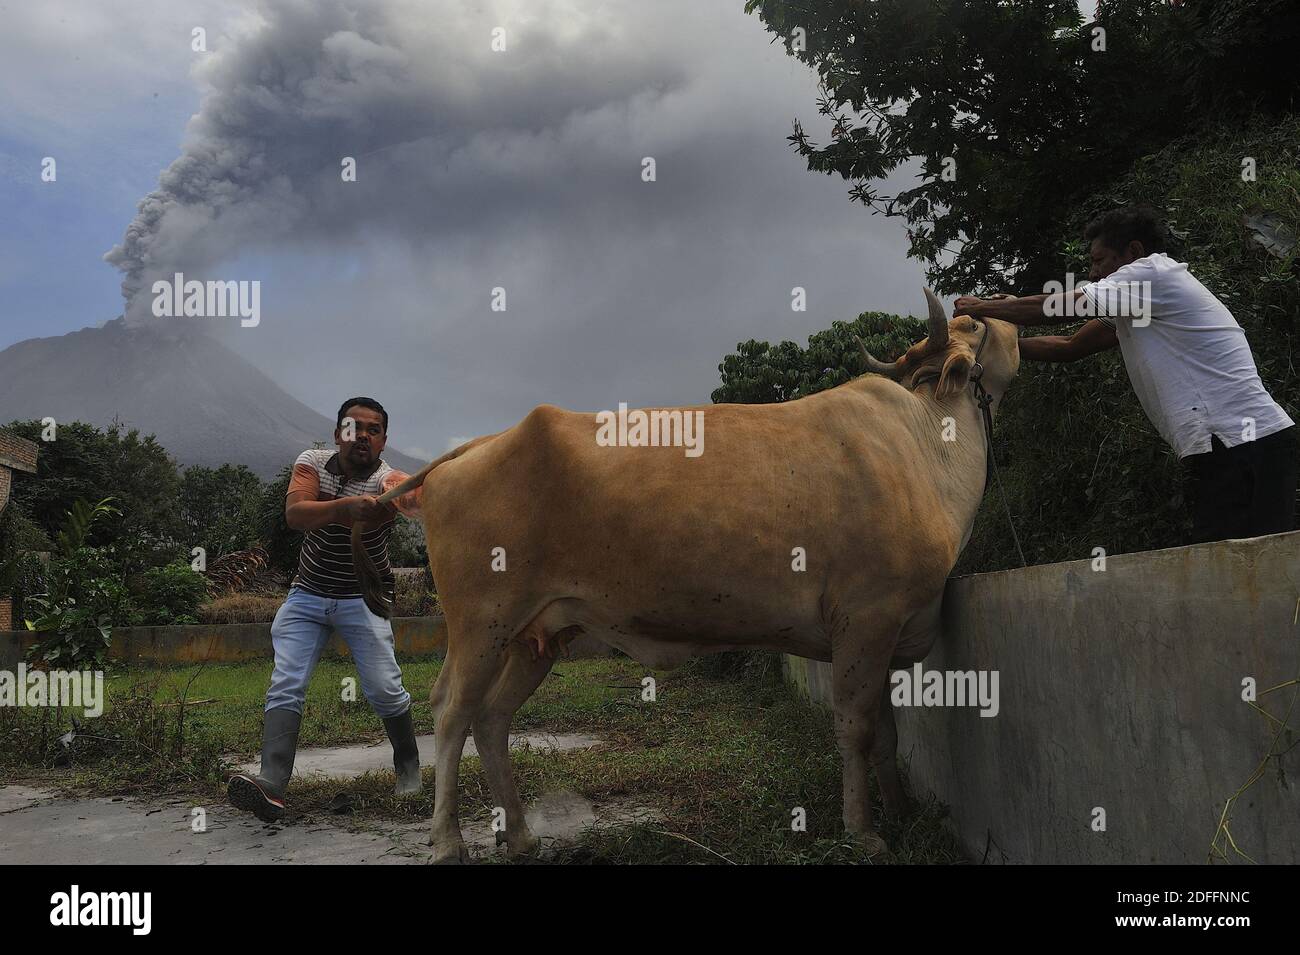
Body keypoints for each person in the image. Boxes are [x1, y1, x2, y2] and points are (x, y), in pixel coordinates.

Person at [954, 206, 1297, 543]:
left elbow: (1064, 308)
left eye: (1099, 260)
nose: (1092, 272)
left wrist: (983, 308)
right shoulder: (1139, 304)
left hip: (1240, 441)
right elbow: (1069, 346)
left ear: (1133, 251)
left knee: (1244, 564)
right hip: (1235, 443)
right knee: (1243, 563)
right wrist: (1000, 342)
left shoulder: (1152, 274)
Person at [227, 396, 425, 822]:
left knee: (385, 689)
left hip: (362, 599)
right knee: (286, 682)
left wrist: (416, 495)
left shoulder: (388, 478)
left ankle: (408, 766)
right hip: (308, 595)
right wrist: (344, 509)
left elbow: (413, 498)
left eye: (374, 430)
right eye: (354, 428)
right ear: (338, 435)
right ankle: (272, 783)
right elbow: (296, 514)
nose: (363, 436)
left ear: (384, 440)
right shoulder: (312, 463)